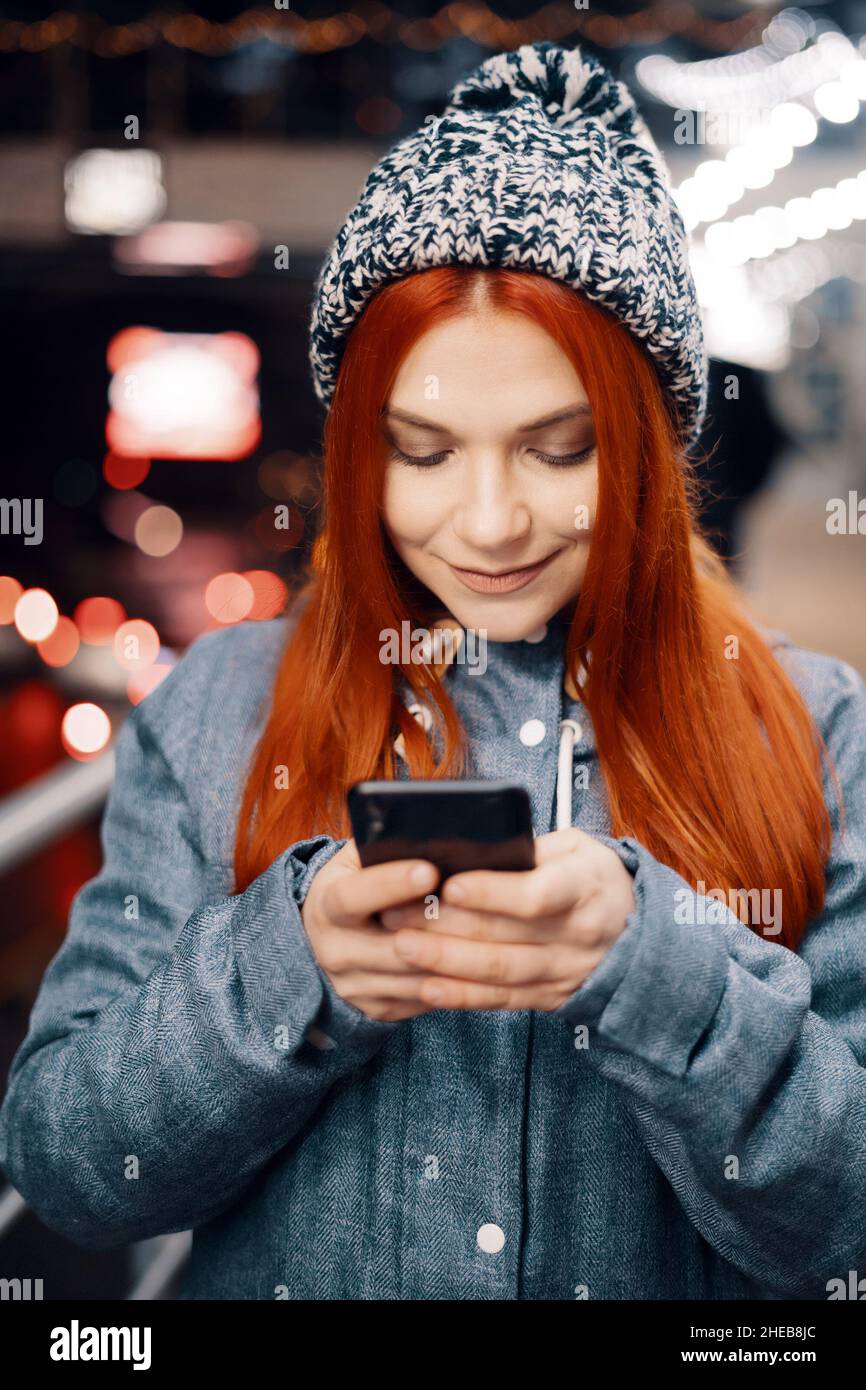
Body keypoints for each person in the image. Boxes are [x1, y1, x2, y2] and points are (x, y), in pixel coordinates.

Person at [2, 40, 866, 1302]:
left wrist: (655, 971)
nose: (489, 523)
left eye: (556, 449)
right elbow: (69, 1165)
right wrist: (292, 971)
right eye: (420, 451)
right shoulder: (221, 707)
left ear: (644, 451)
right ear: (356, 455)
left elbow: (842, 1221)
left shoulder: (815, 724)